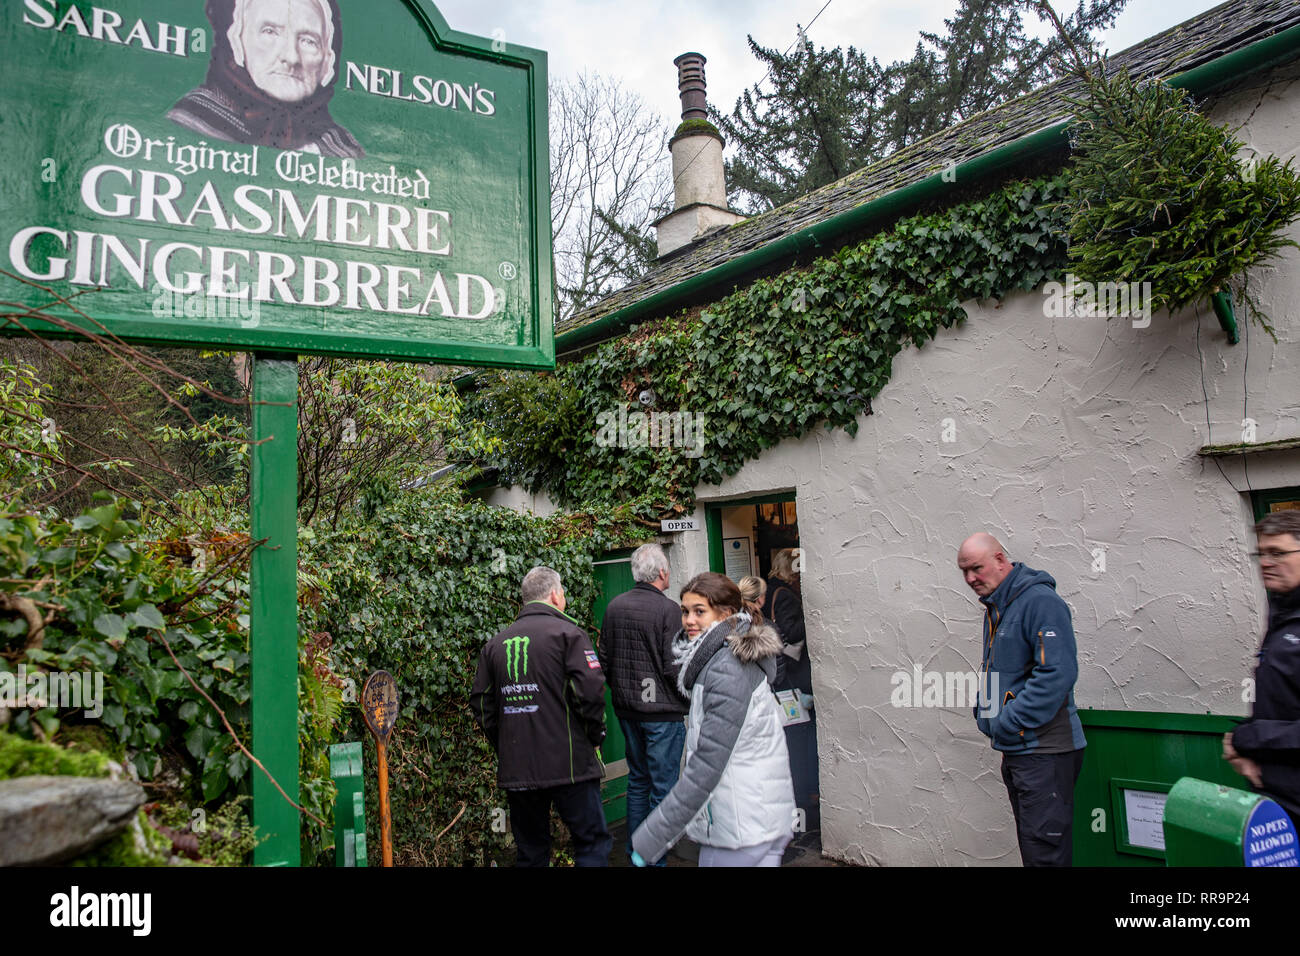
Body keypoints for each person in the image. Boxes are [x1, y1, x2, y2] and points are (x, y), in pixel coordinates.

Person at [631, 572, 795, 867]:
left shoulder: (726, 668)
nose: (689, 621)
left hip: (740, 827)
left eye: (699, 611)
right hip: (757, 819)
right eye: (685, 611)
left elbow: (707, 765)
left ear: (727, 614)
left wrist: (653, 836)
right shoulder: (725, 658)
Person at [957, 532, 1087, 867]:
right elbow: (1000, 673)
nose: (970, 578)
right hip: (1020, 749)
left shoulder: (1039, 601)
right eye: (964, 571)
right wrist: (985, 713)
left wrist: (1006, 720)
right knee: (1035, 849)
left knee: (1045, 854)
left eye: (976, 568)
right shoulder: (998, 606)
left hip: (1044, 752)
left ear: (1000, 560)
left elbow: (1056, 674)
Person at [469, 566, 611, 866]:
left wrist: (506, 742)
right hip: (571, 766)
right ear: (556, 595)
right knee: (591, 843)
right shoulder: (569, 635)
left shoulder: (495, 645)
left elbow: (482, 704)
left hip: (519, 768)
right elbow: (590, 692)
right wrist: (594, 736)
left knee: (531, 852)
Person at [168, 0, 364, 157]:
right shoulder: (191, 122)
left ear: (327, 61)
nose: (291, 57)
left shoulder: (341, 148)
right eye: (270, 32)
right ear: (237, 41)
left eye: (308, 41)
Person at [597, 543, 688, 865]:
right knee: (663, 789)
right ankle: (654, 859)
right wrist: (686, 700)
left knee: (638, 781)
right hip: (662, 714)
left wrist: (621, 692)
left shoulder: (614, 606)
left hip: (627, 711)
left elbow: (603, 659)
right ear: (662, 573)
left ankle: (637, 855)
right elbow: (673, 665)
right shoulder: (669, 610)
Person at [1223, 511, 1300, 823]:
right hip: (1279, 800)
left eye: (1278, 553)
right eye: (1262, 553)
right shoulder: (1283, 613)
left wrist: (1247, 739)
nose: (1266, 562)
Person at [762, 549, 819, 832]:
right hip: (793, 677)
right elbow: (790, 631)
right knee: (799, 742)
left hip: (786, 679)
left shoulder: (771, 590)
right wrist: (813, 616)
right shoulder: (783, 594)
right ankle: (803, 805)